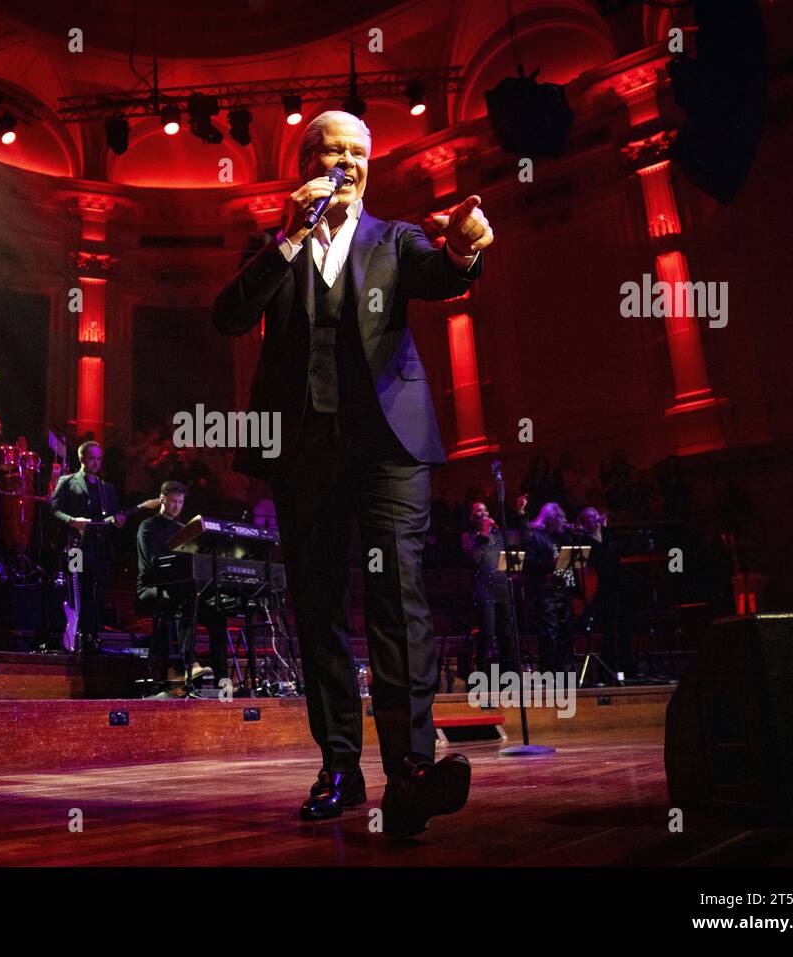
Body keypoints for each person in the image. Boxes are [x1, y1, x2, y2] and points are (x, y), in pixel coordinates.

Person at [212, 110, 492, 836]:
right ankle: (340, 763)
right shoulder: (276, 244)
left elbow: (440, 273)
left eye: (359, 153)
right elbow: (230, 316)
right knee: (319, 606)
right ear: (307, 161)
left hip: (389, 448)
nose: (348, 162)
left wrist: (461, 252)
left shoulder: (394, 238)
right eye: (334, 150)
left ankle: (410, 768)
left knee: (399, 597)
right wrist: (289, 237)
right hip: (304, 450)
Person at [135, 480, 230, 693]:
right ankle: (190, 665)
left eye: (180, 502)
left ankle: (222, 678)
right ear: (162, 499)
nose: (177, 506)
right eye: (172, 501)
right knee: (186, 601)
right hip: (152, 587)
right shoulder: (148, 527)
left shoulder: (184, 529)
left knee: (217, 614)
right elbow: (152, 563)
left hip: (181, 590)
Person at [49, 440, 125, 653]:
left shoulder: (106, 488)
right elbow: (54, 510)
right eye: (92, 458)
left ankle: (92, 635)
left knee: (96, 592)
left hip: (98, 548)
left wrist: (118, 521)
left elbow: (112, 516)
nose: (96, 463)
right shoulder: (68, 481)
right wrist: (73, 520)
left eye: (99, 459)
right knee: (75, 589)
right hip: (75, 546)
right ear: (82, 458)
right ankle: (71, 634)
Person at [459, 501, 519, 679]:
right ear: (471, 516)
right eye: (478, 510)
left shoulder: (499, 534)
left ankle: (509, 677)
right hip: (484, 589)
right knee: (487, 634)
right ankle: (483, 678)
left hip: (503, 588)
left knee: (507, 634)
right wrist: (483, 534)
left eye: (485, 509)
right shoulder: (468, 537)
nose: (483, 513)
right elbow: (474, 559)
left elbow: (511, 553)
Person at [575, 507, 633, 678]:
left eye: (596, 516)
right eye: (591, 518)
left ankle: (627, 668)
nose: (597, 519)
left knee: (625, 628)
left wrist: (606, 530)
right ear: (585, 523)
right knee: (610, 629)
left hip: (620, 587)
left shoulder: (608, 537)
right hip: (603, 590)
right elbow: (603, 558)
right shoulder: (585, 541)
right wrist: (605, 530)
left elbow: (618, 552)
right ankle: (608, 671)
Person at [523, 502, 577, 679]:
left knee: (566, 631)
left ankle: (566, 672)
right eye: (561, 517)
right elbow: (528, 562)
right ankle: (550, 673)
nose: (564, 520)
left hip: (564, 588)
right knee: (549, 633)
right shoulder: (536, 536)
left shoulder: (565, 537)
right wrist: (550, 564)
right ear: (550, 519)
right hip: (545, 591)